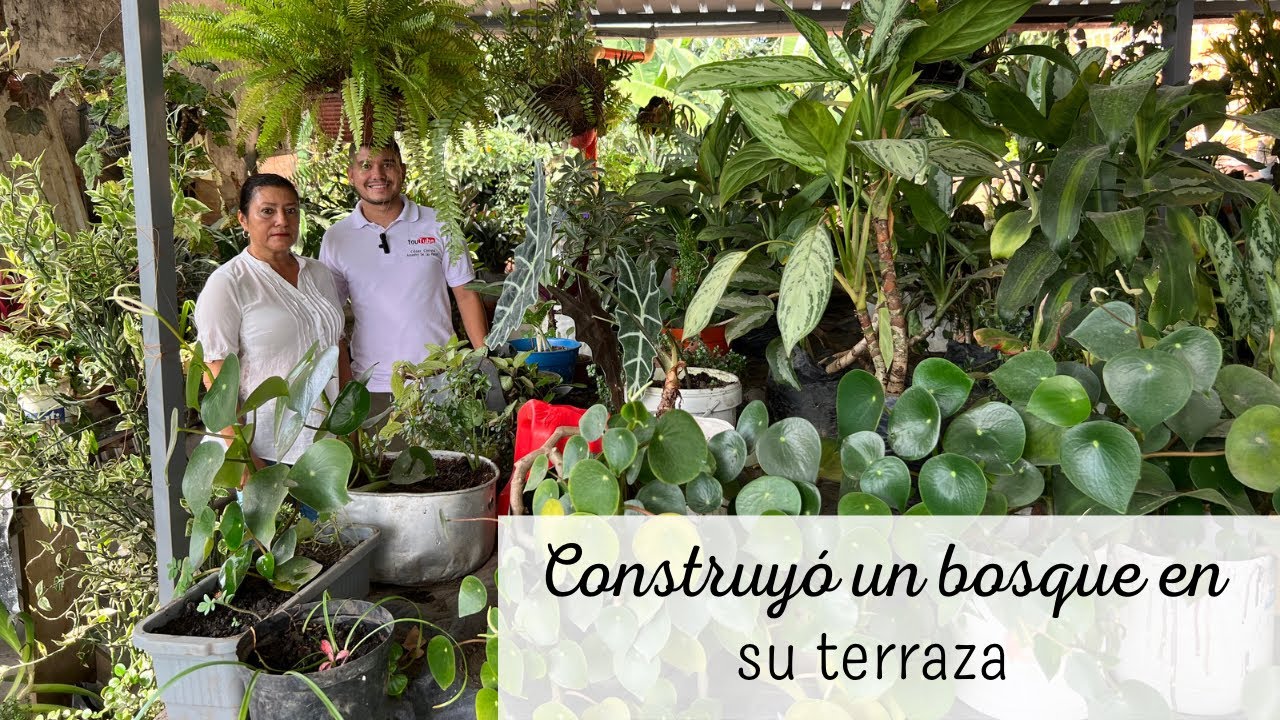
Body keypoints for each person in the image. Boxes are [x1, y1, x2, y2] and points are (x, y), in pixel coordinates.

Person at [319, 142, 489, 414]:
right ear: (351, 174)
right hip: (373, 386)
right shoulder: (336, 239)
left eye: (387, 163)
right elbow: (331, 317)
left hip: (442, 379)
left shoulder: (440, 224)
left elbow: (466, 295)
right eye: (366, 165)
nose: (377, 174)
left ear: (403, 170)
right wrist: (344, 386)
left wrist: (485, 363)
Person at [194, 173, 348, 468]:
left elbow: (337, 347)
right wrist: (243, 459)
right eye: (267, 211)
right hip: (267, 452)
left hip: (327, 445)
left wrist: (350, 426)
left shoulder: (318, 273)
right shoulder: (228, 283)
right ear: (243, 220)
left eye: (291, 210)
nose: (282, 220)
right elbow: (216, 374)